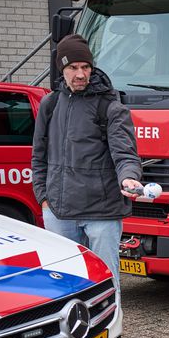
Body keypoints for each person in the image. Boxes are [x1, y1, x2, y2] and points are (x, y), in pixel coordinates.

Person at [32, 34, 143, 282]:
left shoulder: (110, 106)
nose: (80, 74)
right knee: (67, 281)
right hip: (60, 213)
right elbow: (38, 156)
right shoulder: (50, 104)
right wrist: (44, 198)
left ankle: (109, 322)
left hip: (101, 214)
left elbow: (125, 153)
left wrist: (129, 178)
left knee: (104, 280)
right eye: (73, 68)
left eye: (85, 67)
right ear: (62, 69)